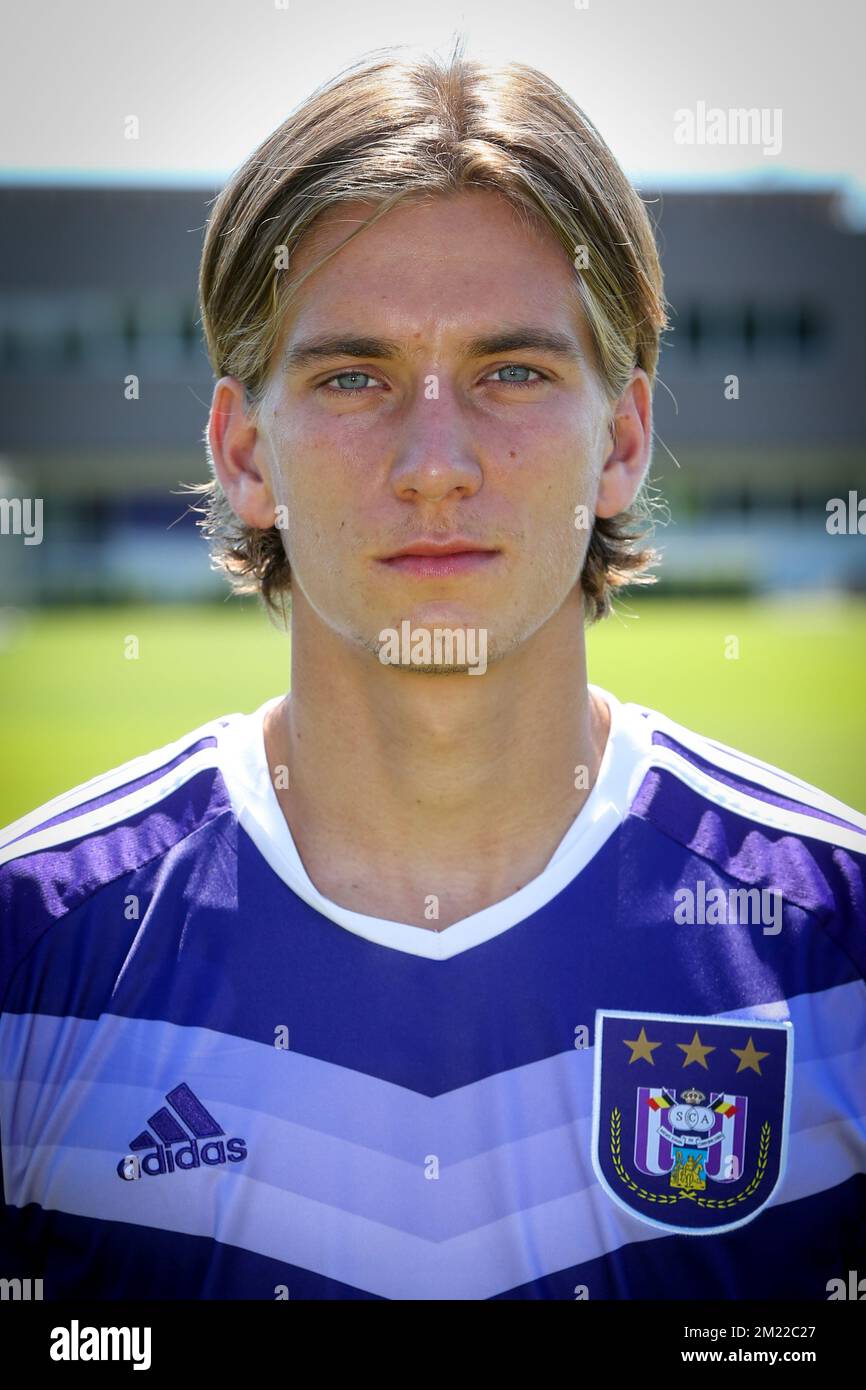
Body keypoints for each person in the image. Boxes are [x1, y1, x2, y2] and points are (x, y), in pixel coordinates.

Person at [1, 44, 864, 1301]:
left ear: (620, 441)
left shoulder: (831, 941)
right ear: (246, 454)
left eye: (510, 371)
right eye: (354, 376)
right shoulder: (35, 950)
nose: (435, 461)